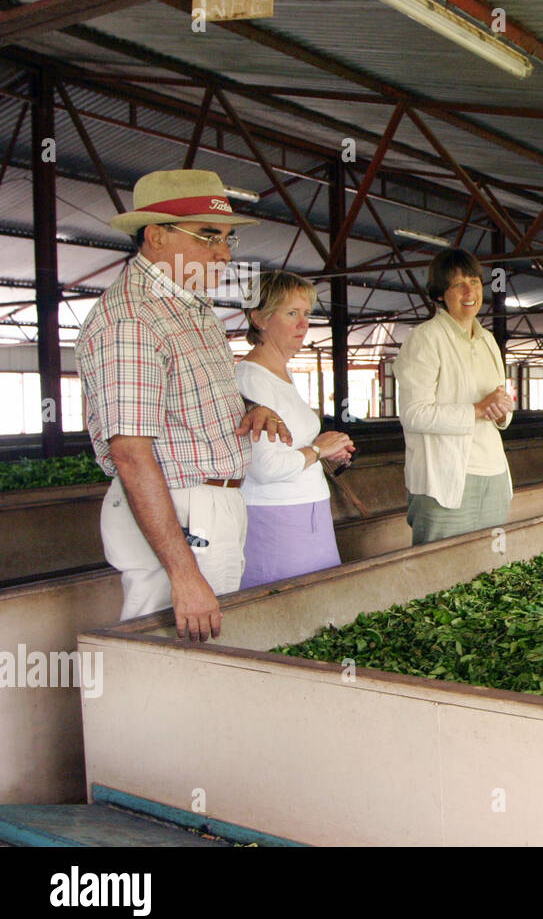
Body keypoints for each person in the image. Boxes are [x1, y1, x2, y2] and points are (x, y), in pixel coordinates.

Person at [76, 169, 287, 642]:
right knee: (165, 652)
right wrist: (185, 572)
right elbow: (130, 454)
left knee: (206, 652)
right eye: (209, 236)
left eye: (228, 238)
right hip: (181, 509)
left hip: (210, 504)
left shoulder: (193, 308)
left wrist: (249, 405)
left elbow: (188, 396)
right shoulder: (132, 320)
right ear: (155, 236)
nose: (225, 253)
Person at [237, 271, 356, 588]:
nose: (303, 324)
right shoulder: (252, 379)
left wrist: (328, 453)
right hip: (277, 518)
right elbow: (265, 467)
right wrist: (317, 450)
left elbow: (292, 449)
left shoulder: (282, 375)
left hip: (305, 511)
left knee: (317, 605)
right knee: (286, 609)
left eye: (306, 314)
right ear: (260, 318)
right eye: (292, 313)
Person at [393, 248, 514, 544]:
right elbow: (413, 414)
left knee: (490, 568)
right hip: (446, 479)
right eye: (457, 284)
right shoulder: (425, 338)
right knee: (439, 571)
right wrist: (477, 409)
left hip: (494, 473)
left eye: (474, 281)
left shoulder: (487, 340)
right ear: (439, 295)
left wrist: (501, 412)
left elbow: (500, 407)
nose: (469, 291)